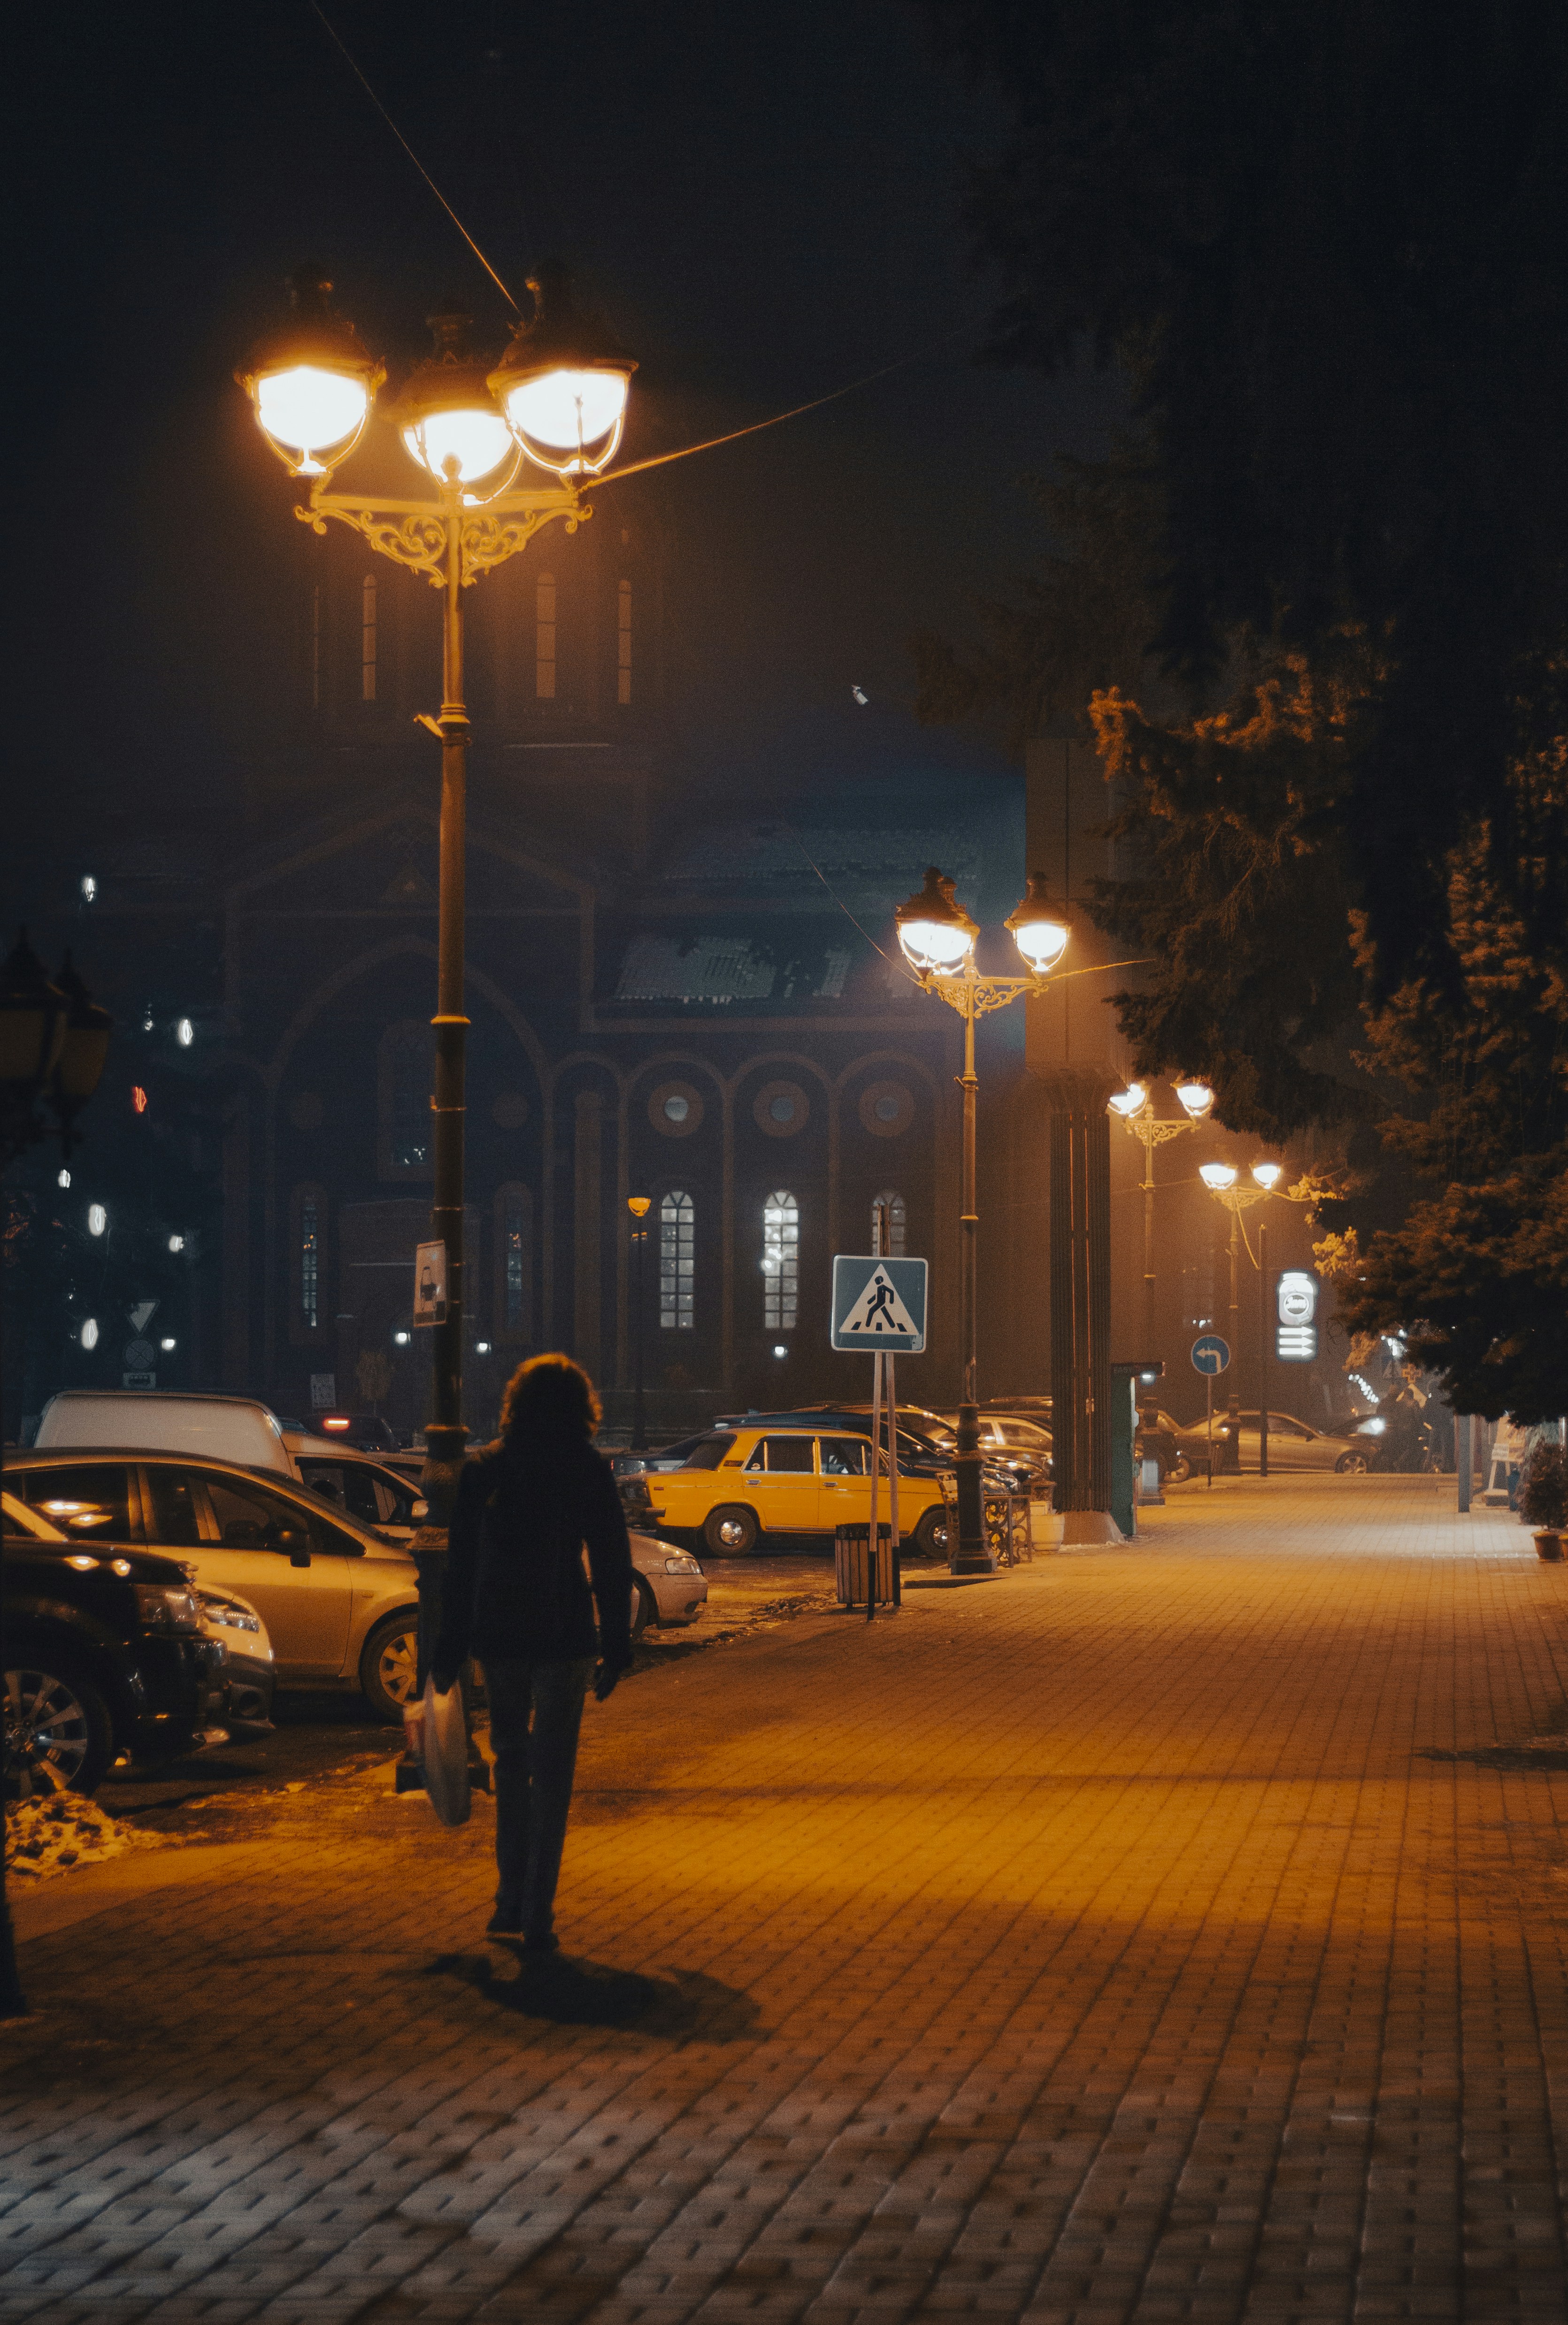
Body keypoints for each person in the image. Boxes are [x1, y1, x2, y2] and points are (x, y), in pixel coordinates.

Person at [428, 1354, 634, 1948]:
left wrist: (450, 1646)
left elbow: (461, 1566)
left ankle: (508, 1898)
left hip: (501, 1636)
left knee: (510, 1765)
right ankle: (539, 1906)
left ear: (515, 1402)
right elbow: (611, 1557)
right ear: (581, 1407)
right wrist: (616, 1643)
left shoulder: (486, 1468)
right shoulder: (587, 1469)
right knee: (554, 1775)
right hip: (565, 1633)